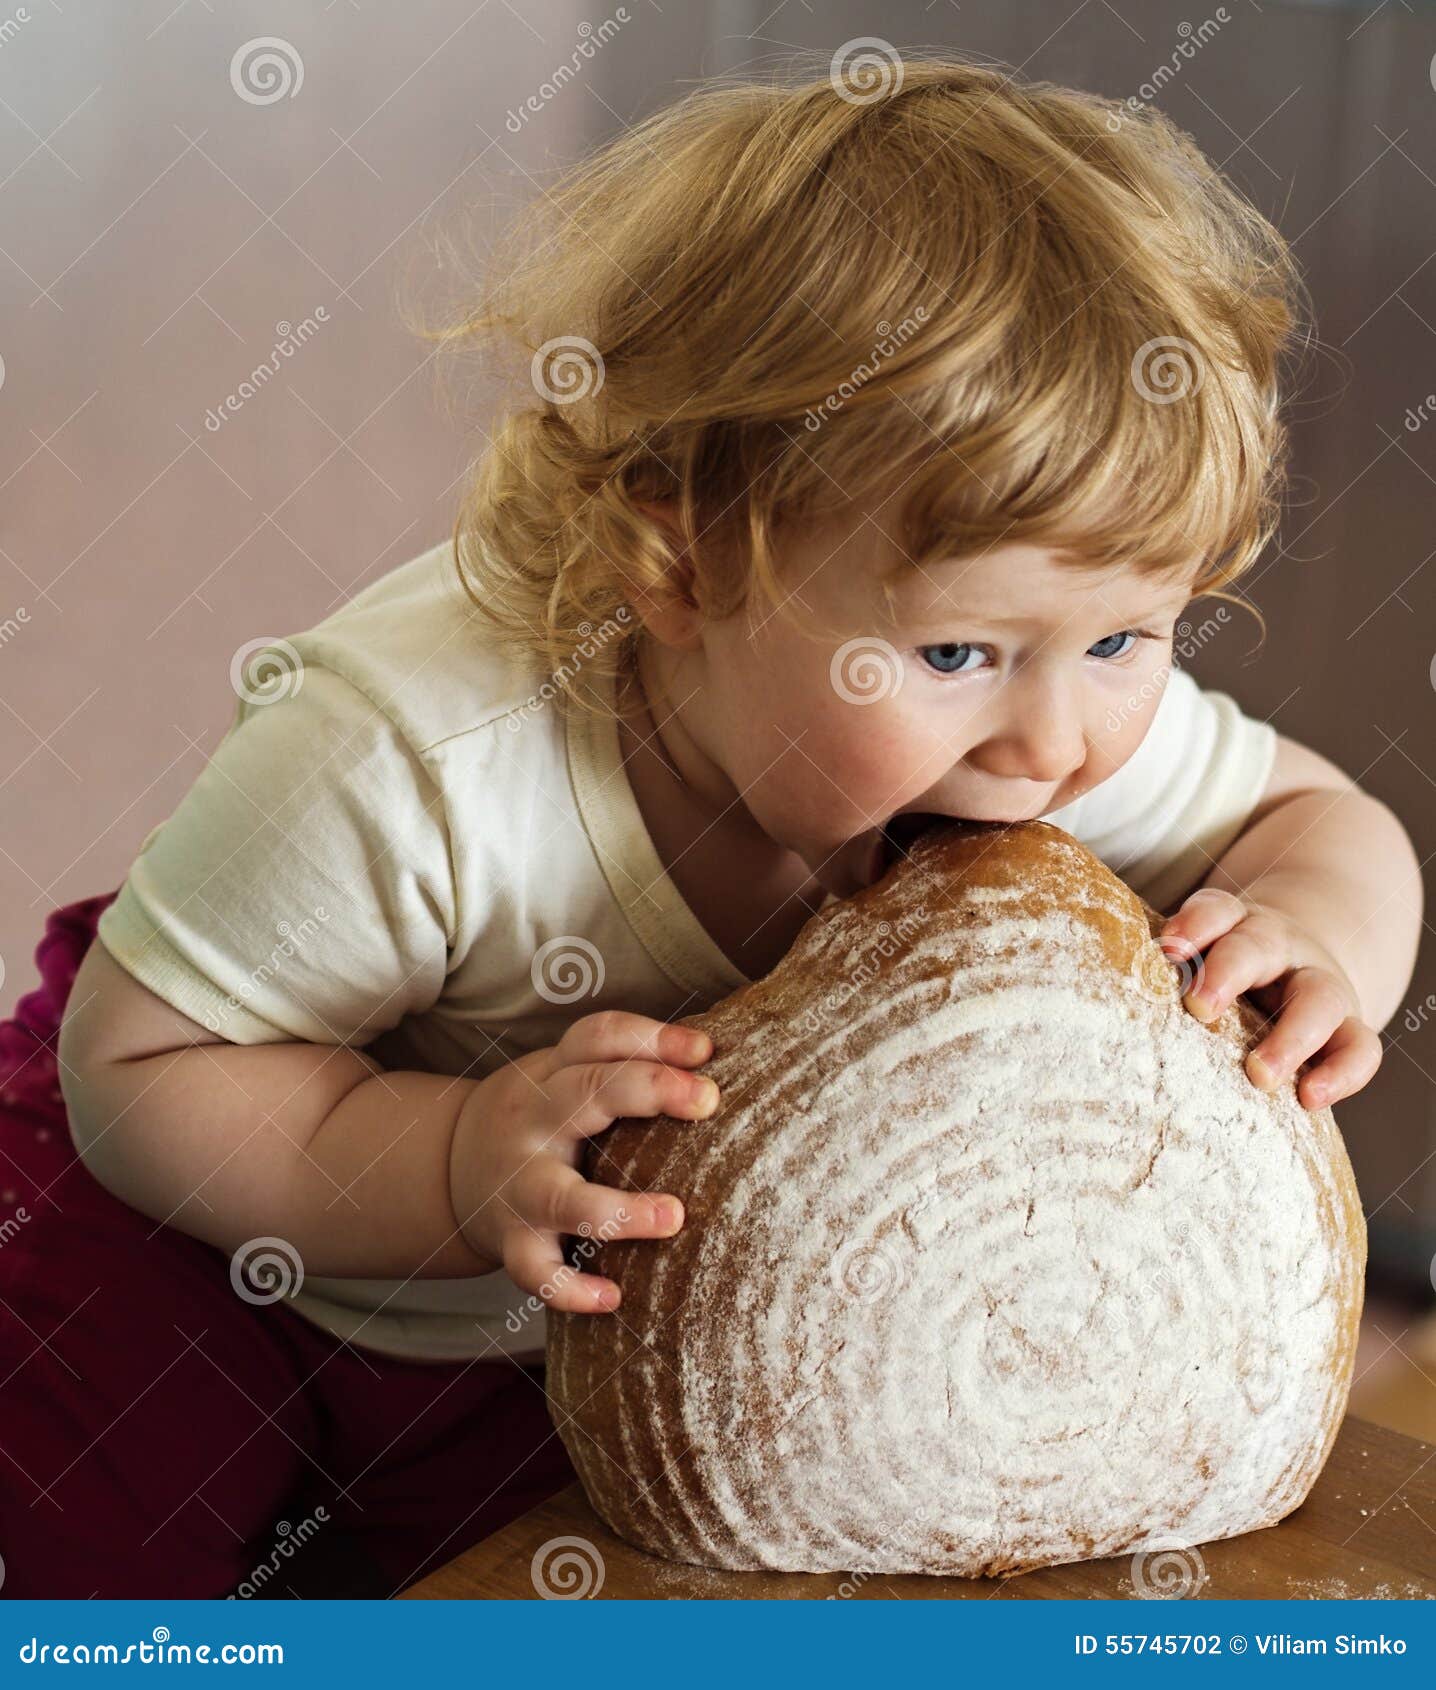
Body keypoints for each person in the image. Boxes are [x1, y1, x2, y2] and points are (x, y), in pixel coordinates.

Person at [0, 52, 1420, 1599]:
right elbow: (139, 1069)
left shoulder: (1031, 730)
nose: (1062, 742)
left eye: (1131, 637)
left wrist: (1320, 933)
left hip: (532, 1324)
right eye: (952, 653)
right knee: (83, 1567)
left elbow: (1319, 816)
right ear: (675, 567)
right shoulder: (410, 751)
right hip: (201, 1217)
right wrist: (455, 1159)